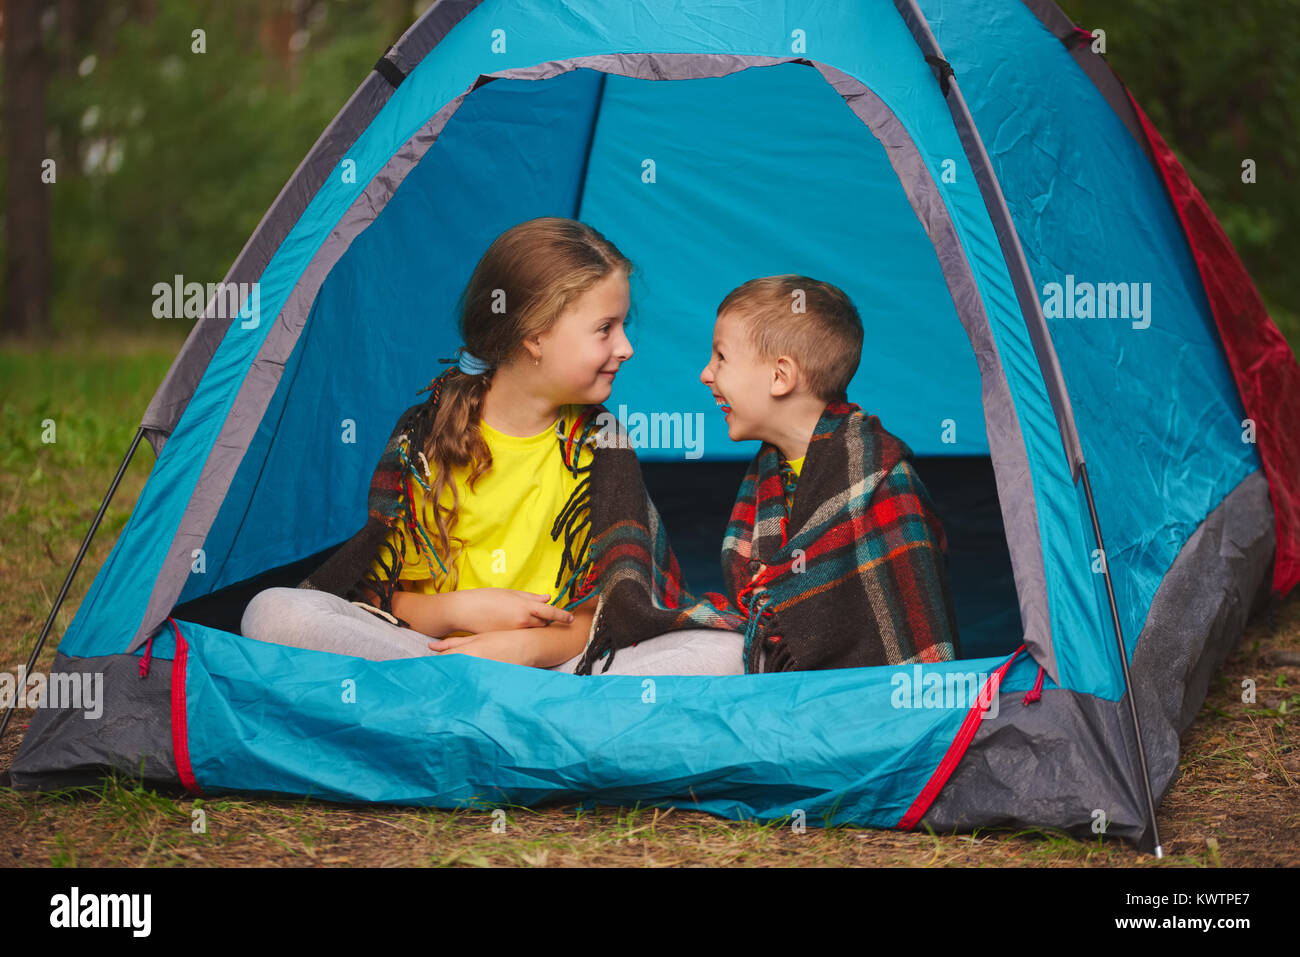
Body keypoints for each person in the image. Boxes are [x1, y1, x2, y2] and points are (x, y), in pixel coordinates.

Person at [241, 217, 745, 674]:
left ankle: (455, 717)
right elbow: (392, 598)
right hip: (433, 654)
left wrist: (524, 649)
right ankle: (512, 723)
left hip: (560, 667)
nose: (625, 348)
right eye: (604, 329)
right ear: (534, 336)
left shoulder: (603, 447)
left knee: (724, 653)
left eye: (622, 327)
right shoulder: (426, 435)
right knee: (274, 611)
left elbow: (611, 611)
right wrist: (461, 610)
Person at [693, 274, 961, 672]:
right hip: (796, 694)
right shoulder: (768, 472)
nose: (706, 374)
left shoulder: (881, 479)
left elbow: (916, 627)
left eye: (720, 357)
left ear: (780, 377)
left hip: (876, 699)